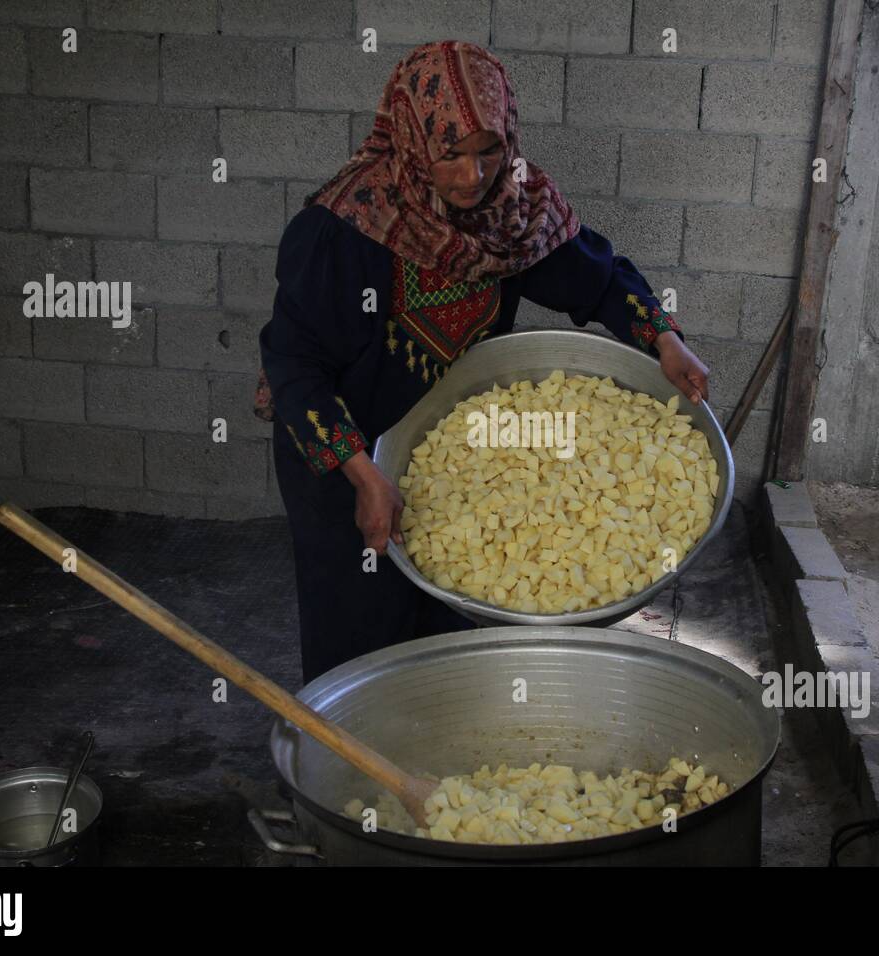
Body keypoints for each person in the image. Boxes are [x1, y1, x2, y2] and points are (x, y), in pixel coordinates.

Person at [257, 40, 710, 686]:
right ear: (415, 140)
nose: (473, 176)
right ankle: (354, 771)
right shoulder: (348, 228)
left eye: (488, 151)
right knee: (357, 624)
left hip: (451, 462)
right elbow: (294, 366)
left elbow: (597, 278)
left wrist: (662, 337)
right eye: (452, 154)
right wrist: (363, 475)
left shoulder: (512, 213)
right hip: (340, 453)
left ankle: (441, 752)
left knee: (450, 616)